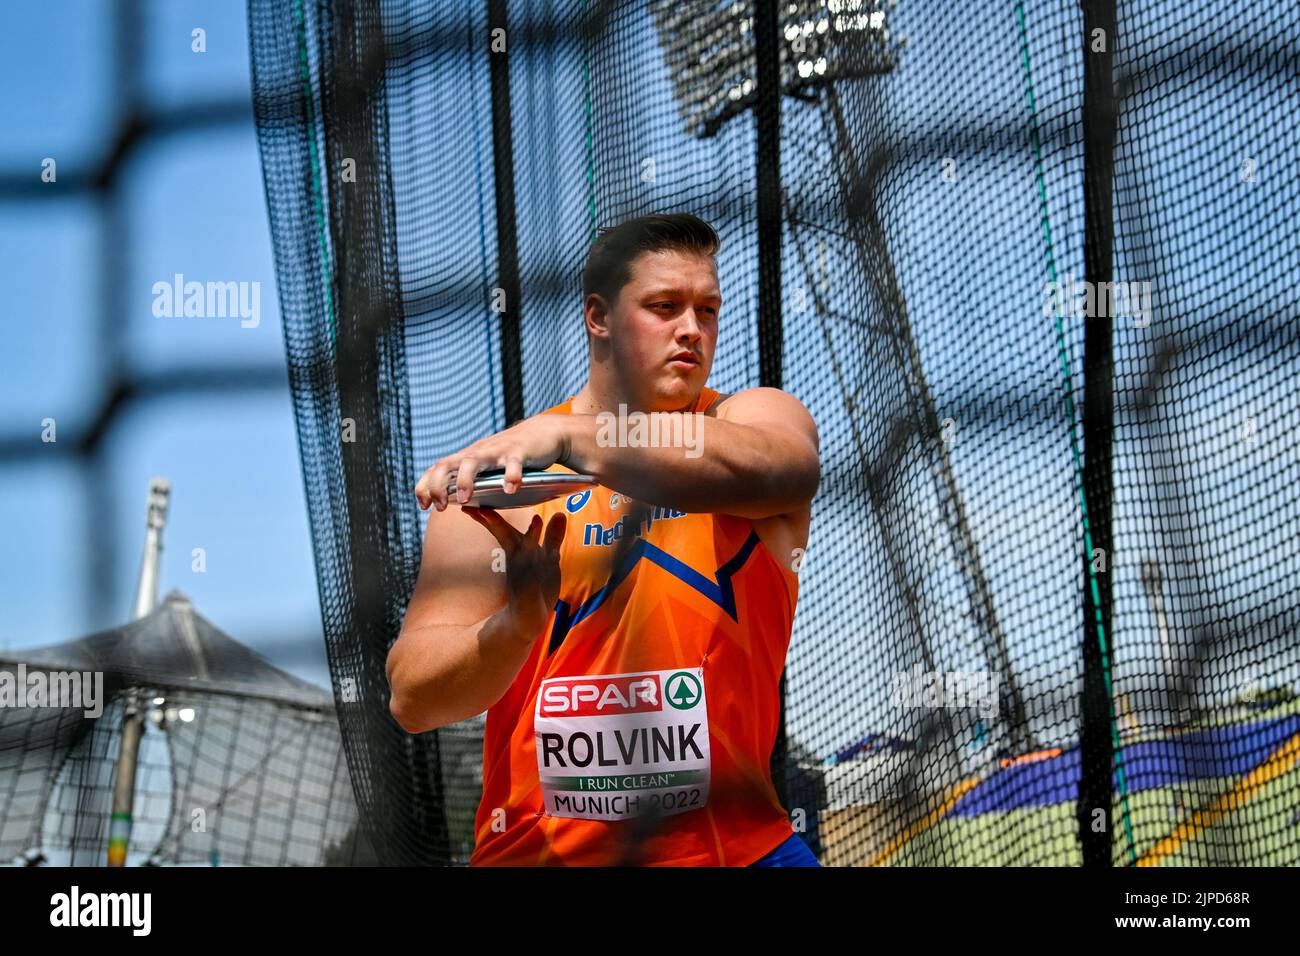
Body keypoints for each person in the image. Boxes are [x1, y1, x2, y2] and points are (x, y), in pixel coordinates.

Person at [388, 212, 821, 866]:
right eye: (664, 307)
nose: (691, 330)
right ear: (599, 317)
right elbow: (412, 698)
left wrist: (581, 443)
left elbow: (784, 466)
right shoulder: (505, 476)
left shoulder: (750, 419)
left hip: (739, 853)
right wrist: (512, 628)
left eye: (707, 309)